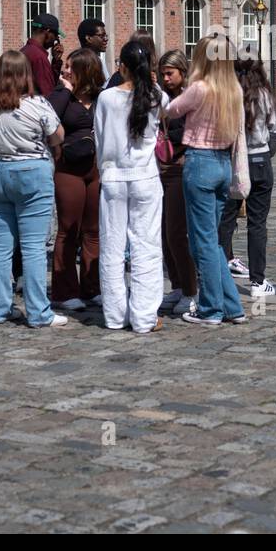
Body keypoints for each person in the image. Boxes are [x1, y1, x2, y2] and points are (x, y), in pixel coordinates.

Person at [163, 32, 249, 326]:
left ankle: (211, 308)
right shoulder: (234, 90)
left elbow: (171, 110)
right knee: (210, 241)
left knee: (202, 242)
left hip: (199, 161)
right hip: (223, 165)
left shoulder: (199, 88)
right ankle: (233, 307)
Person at [0, 50, 66, 328]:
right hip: (30, 173)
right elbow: (58, 136)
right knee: (33, 247)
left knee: (1, 245)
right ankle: (39, 312)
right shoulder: (37, 104)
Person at [93, 40, 166, 333]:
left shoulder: (107, 98)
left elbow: (99, 138)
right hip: (145, 176)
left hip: (113, 176)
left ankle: (114, 315)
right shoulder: (156, 95)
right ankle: (144, 317)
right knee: (146, 247)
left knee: (111, 247)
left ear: (122, 66)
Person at [219, 58, 276, 298]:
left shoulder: (228, 96)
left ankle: (220, 273)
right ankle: (258, 281)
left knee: (226, 220)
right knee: (257, 223)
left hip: (233, 161)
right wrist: (266, 154)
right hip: (260, 160)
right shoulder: (265, 95)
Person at [47, 48, 103, 312]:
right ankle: (63, 290)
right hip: (68, 167)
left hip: (96, 167)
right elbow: (48, 118)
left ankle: (92, 287)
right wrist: (65, 90)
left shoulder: (101, 97)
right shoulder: (61, 97)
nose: (65, 70)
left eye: (71, 66)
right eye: (65, 66)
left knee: (93, 230)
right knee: (68, 229)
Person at [157, 49, 197, 317]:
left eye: (169, 73)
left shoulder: (188, 100)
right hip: (161, 170)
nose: (165, 79)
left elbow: (187, 134)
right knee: (163, 235)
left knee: (176, 234)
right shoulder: (163, 99)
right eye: (162, 74)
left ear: (183, 72)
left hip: (181, 169)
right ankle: (177, 284)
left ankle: (191, 289)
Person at [21, 13, 62, 99]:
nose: (56, 39)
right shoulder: (39, 57)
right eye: (55, 35)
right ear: (47, 32)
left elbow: (48, 82)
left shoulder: (25, 50)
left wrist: (56, 61)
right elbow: (48, 94)